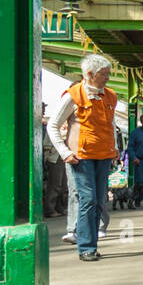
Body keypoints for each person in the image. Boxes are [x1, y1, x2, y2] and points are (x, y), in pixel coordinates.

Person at [47, 54, 118, 261]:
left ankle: (91, 244)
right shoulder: (72, 96)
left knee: (98, 200)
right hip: (81, 157)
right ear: (89, 74)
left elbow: (111, 125)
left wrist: (113, 150)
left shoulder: (110, 96)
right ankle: (86, 247)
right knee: (87, 199)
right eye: (104, 74)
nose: (107, 78)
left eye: (108, 74)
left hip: (104, 155)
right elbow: (53, 125)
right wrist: (65, 152)